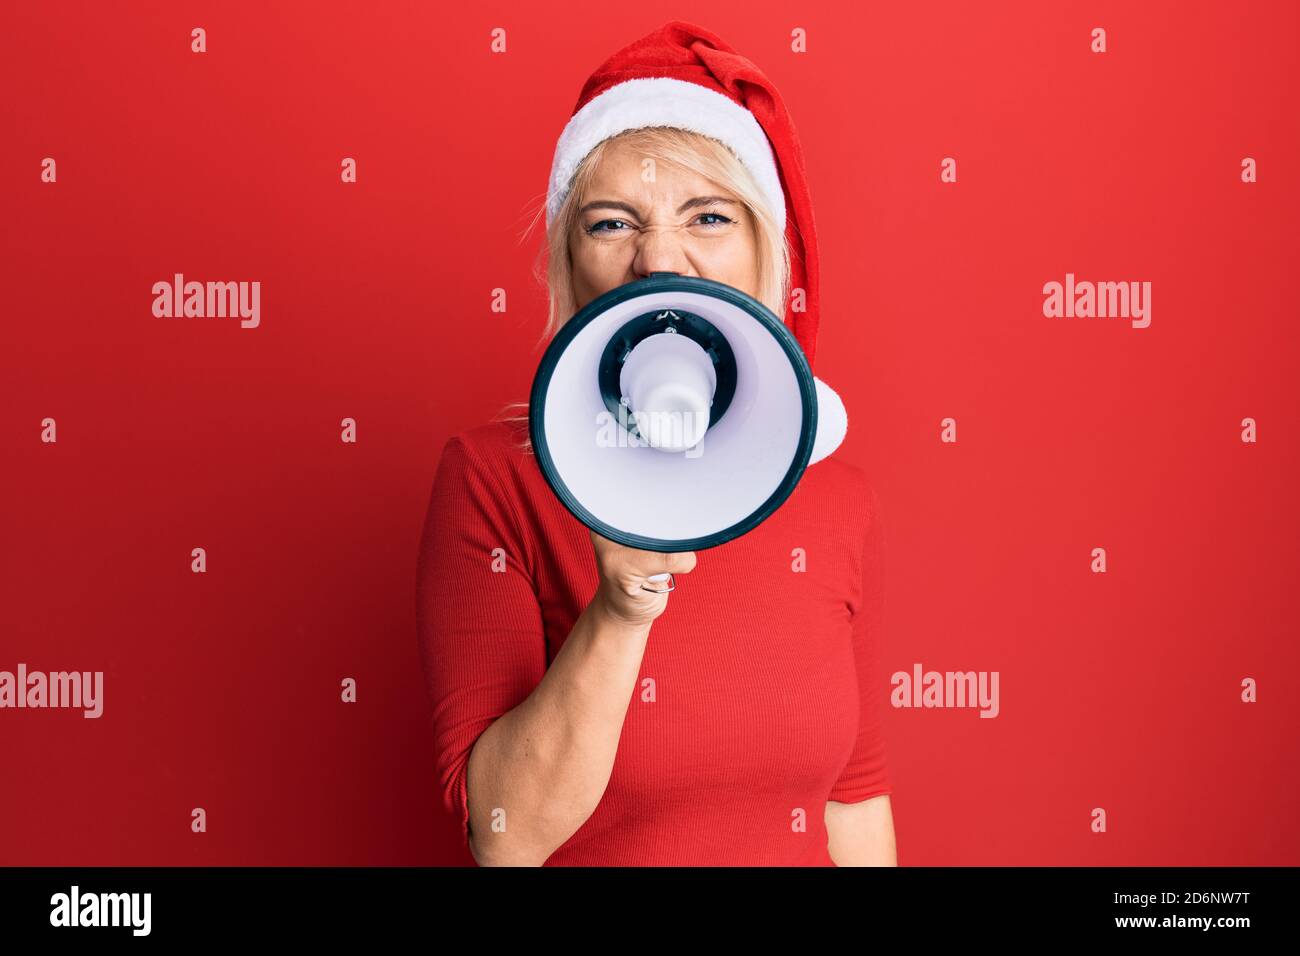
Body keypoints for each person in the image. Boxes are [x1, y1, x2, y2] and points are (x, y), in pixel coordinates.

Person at [416, 20, 896, 866]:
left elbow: (852, 807)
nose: (661, 260)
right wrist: (623, 608)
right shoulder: (493, 479)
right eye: (611, 224)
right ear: (571, 262)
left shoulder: (833, 495)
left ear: (765, 252)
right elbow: (506, 838)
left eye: (708, 217)